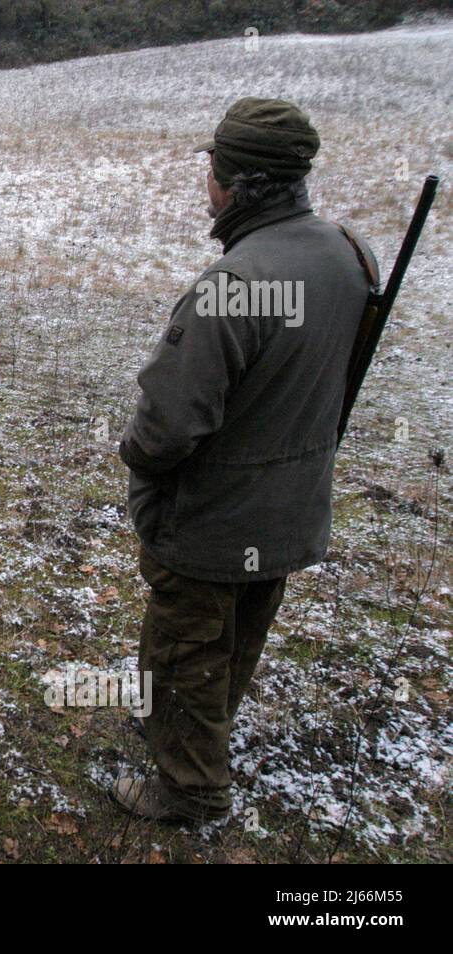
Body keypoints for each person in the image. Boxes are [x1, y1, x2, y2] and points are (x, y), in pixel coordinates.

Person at [113, 98, 377, 822]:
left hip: (211, 522)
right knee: (235, 640)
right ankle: (188, 730)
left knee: (188, 652)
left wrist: (136, 465)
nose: (208, 183)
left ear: (233, 184)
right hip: (291, 508)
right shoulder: (352, 257)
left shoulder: (232, 288)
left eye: (213, 170)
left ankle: (190, 790)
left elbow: (165, 429)